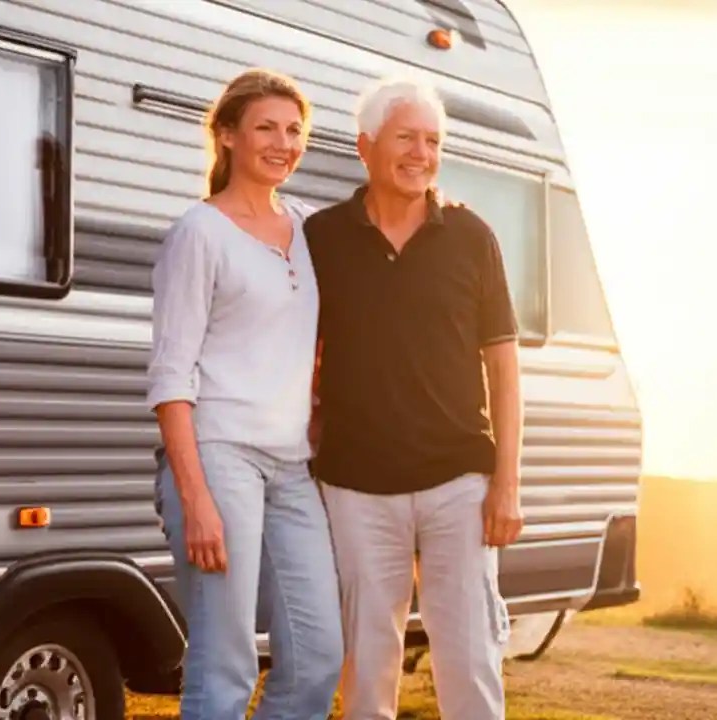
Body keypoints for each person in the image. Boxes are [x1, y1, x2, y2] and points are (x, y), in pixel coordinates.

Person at [305, 75, 526, 720]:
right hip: (355, 486)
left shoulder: (472, 237)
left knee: (470, 663)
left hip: (458, 483)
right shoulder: (321, 238)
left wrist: (507, 482)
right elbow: (294, 344)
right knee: (368, 670)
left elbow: (505, 371)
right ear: (365, 147)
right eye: (406, 138)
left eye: (433, 141)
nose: (421, 154)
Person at [146, 68, 343, 720]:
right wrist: (195, 497)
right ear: (227, 135)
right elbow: (171, 376)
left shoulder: (311, 229)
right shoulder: (199, 233)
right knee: (224, 663)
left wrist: (438, 203)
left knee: (318, 658)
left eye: (295, 130)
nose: (284, 142)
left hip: (292, 469)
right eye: (266, 127)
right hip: (217, 457)